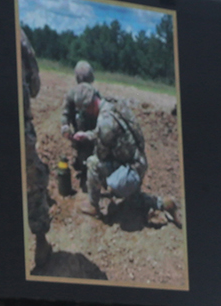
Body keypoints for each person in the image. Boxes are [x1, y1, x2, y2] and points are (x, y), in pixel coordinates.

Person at [74, 94, 179, 228]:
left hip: (129, 171)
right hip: (138, 162)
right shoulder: (113, 107)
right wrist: (87, 135)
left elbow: (101, 154)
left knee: (93, 163)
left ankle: (94, 207)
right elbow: (105, 132)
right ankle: (163, 203)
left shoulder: (104, 120)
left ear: (90, 106)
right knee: (134, 200)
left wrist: (103, 181)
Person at [20, 26, 55, 270]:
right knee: (33, 181)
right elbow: (34, 87)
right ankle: (40, 242)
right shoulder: (18, 35)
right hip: (20, 127)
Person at [60, 59, 102, 192]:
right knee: (83, 152)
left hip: (90, 131)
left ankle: (86, 169)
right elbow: (66, 113)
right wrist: (65, 127)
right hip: (80, 131)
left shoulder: (93, 94)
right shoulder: (73, 94)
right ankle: (82, 164)